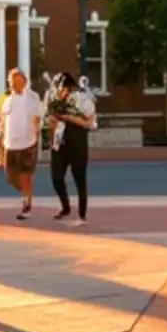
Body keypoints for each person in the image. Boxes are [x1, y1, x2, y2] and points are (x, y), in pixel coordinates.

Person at [48, 72, 96, 226]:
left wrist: (69, 118)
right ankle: (65, 206)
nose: (59, 91)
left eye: (62, 88)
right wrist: (52, 122)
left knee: (80, 180)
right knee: (56, 178)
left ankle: (82, 215)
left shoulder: (82, 101)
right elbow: (49, 123)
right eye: (57, 88)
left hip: (77, 144)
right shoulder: (53, 100)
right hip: (59, 145)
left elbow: (89, 123)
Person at [0, 67, 43, 220]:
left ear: (24, 81)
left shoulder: (32, 98)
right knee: (10, 176)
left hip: (28, 143)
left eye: (16, 81)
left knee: (24, 175)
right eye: (10, 82)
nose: (13, 85)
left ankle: (27, 201)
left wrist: (37, 133)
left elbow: (37, 118)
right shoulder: (5, 99)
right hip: (10, 144)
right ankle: (26, 192)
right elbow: (2, 122)